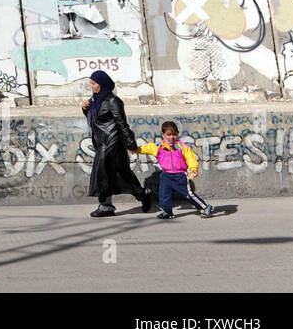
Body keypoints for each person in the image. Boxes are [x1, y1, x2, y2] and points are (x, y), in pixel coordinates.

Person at [81, 69, 152, 217]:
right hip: (102, 142)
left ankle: (106, 206)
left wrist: (131, 143)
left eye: (94, 83)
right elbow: (96, 119)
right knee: (120, 173)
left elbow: (122, 123)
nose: (92, 86)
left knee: (103, 174)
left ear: (102, 84)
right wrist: (85, 109)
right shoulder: (95, 100)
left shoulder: (113, 101)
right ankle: (143, 194)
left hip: (112, 143)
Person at [133, 121, 215, 219]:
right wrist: (135, 149)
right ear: (163, 134)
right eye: (168, 135)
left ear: (178, 133)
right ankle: (168, 212)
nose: (172, 137)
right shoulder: (159, 147)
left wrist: (193, 169)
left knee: (188, 195)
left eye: (174, 134)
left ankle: (205, 206)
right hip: (166, 175)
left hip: (180, 175)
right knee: (164, 195)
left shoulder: (182, 146)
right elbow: (146, 148)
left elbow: (190, 158)